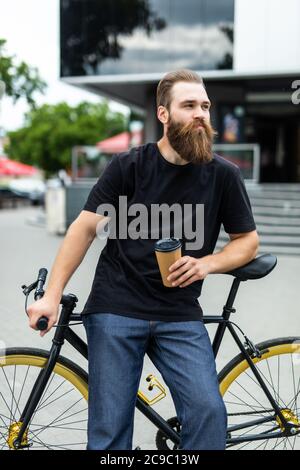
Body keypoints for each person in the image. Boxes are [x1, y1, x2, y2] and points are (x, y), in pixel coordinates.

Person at [27, 69, 259, 450]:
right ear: (164, 115)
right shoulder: (129, 166)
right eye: (189, 105)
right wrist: (52, 295)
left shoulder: (224, 175)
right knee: (110, 429)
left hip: (180, 311)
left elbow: (247, 241)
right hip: (116, 305)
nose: (201, 113)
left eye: (205, 106)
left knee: (208, 413)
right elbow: (82, 229)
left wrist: (207, 264)